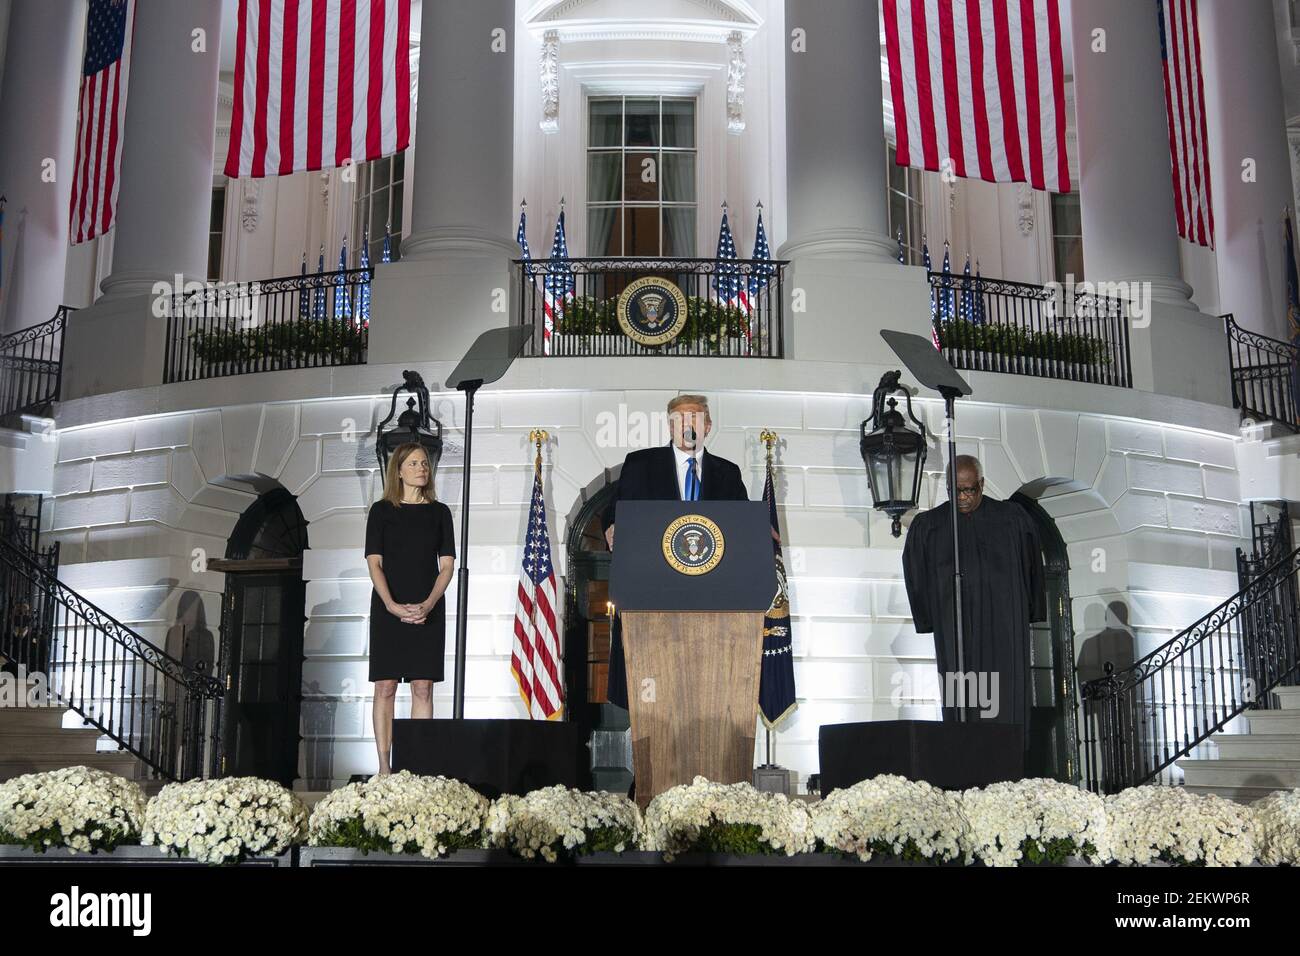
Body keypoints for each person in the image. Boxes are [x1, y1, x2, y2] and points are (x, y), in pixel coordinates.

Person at [600, 394, 749, 709]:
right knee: (655, 703)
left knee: (702, 700)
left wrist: (757, 532)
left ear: (707, 426)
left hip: (710, 609)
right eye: (679, 417)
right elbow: (614, 512)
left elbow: (740, 528)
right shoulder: (640, 465)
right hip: (653, 606)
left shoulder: (728, 474)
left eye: (694, 416)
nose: (687, 423)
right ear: (670, 426)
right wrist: (613, 525)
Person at [901, 455, 1045, 751]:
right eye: (957, 491)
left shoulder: (1013, 518)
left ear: (982, 484)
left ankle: (1008, 765)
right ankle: (963, 764)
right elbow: (914, 572)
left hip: (1004, 626)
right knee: (963, 694)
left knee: (1005, 697)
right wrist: (929, 618)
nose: (964, 497)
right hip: (956, 630)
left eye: (970, 490)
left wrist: (1031, 611)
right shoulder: (930, 525)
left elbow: (1033, 566)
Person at [365, 442, 455, 775]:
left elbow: (446, 566)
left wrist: (429, 604)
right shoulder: (381, 511)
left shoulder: (440, 512)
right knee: (385, 686)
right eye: (414, 463)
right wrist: (390, 604)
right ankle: (385, 767)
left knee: (422, 686)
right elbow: (375, 563)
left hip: (427, 608)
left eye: (425, 464)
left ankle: (417, 767)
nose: (422, 468)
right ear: (399, 470)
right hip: (388, 608)